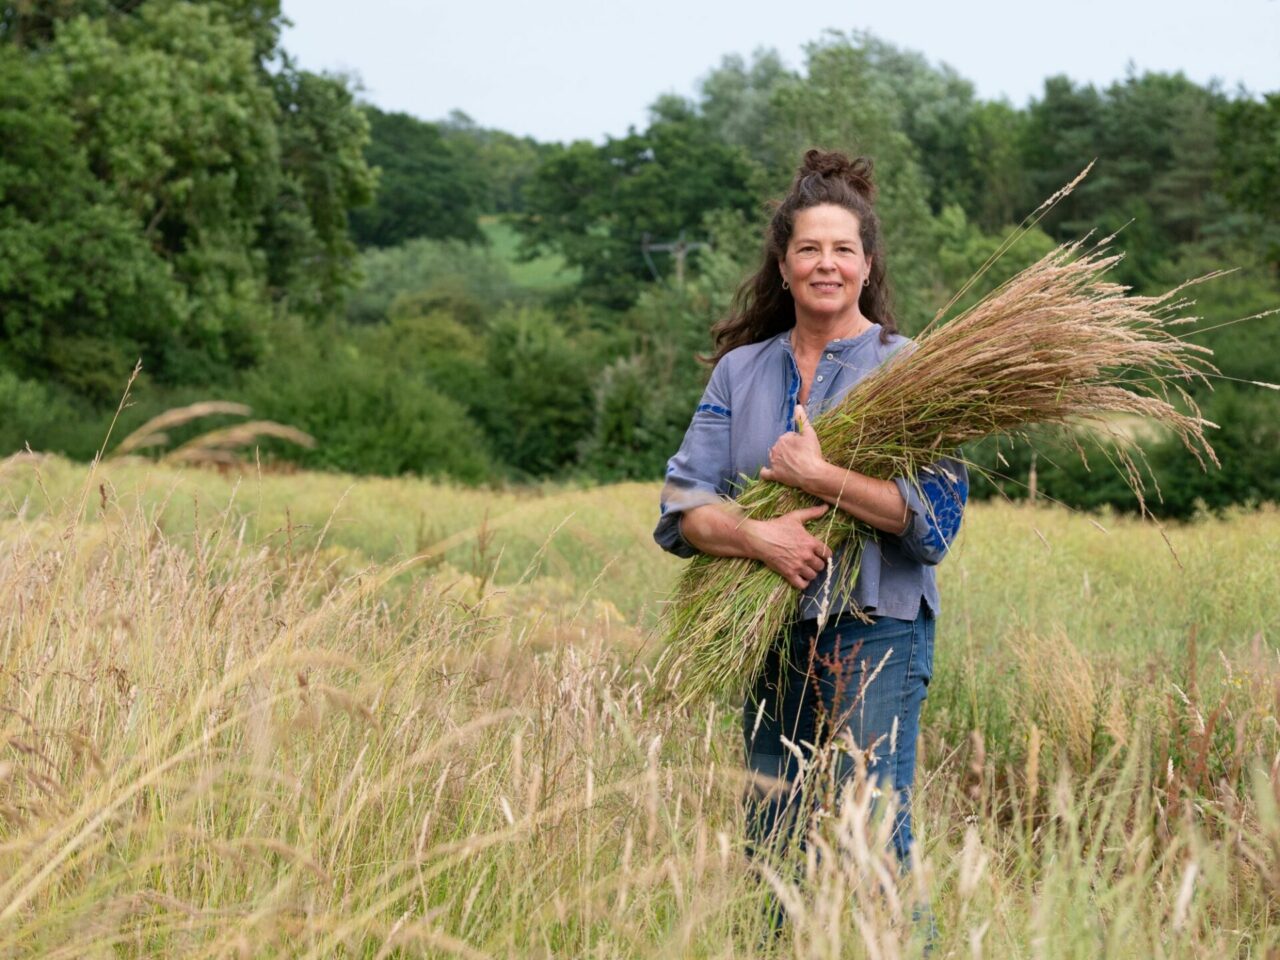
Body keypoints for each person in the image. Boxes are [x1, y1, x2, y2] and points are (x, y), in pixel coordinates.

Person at [653, 150, 967, 875]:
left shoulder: (915, 370)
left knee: (874, 838)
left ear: (866, 264)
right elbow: (683, 506)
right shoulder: (740, 371)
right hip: (767, 635)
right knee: (772, 841)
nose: (826, 264)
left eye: (843, 250)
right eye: (809, 249)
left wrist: (822, 476)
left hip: (877, 629)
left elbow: (934, 524)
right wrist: (756, 536)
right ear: (784, 263)